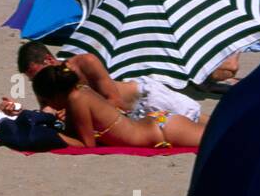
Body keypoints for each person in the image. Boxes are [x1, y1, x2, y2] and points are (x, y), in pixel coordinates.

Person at [15, 43, 203, 123]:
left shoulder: (84, 63)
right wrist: (19, 112)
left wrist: (74, 112)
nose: (35, 81)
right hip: (130, 121)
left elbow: (115, 101)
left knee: (200, 121)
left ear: (49, 60)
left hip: (145, 98)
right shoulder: (42, 84)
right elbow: (48, 112)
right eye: (31, 79)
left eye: (35, 74)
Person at [32, 64, 203, 149]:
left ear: (55, 94)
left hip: (163, 131)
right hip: (158, 123)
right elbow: (72, 133)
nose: (50, 106)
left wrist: (51, 136)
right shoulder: (80, 92)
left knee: (223, 142)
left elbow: (86, 144)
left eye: (47, 100)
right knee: (219, 136)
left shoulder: (77, 99)